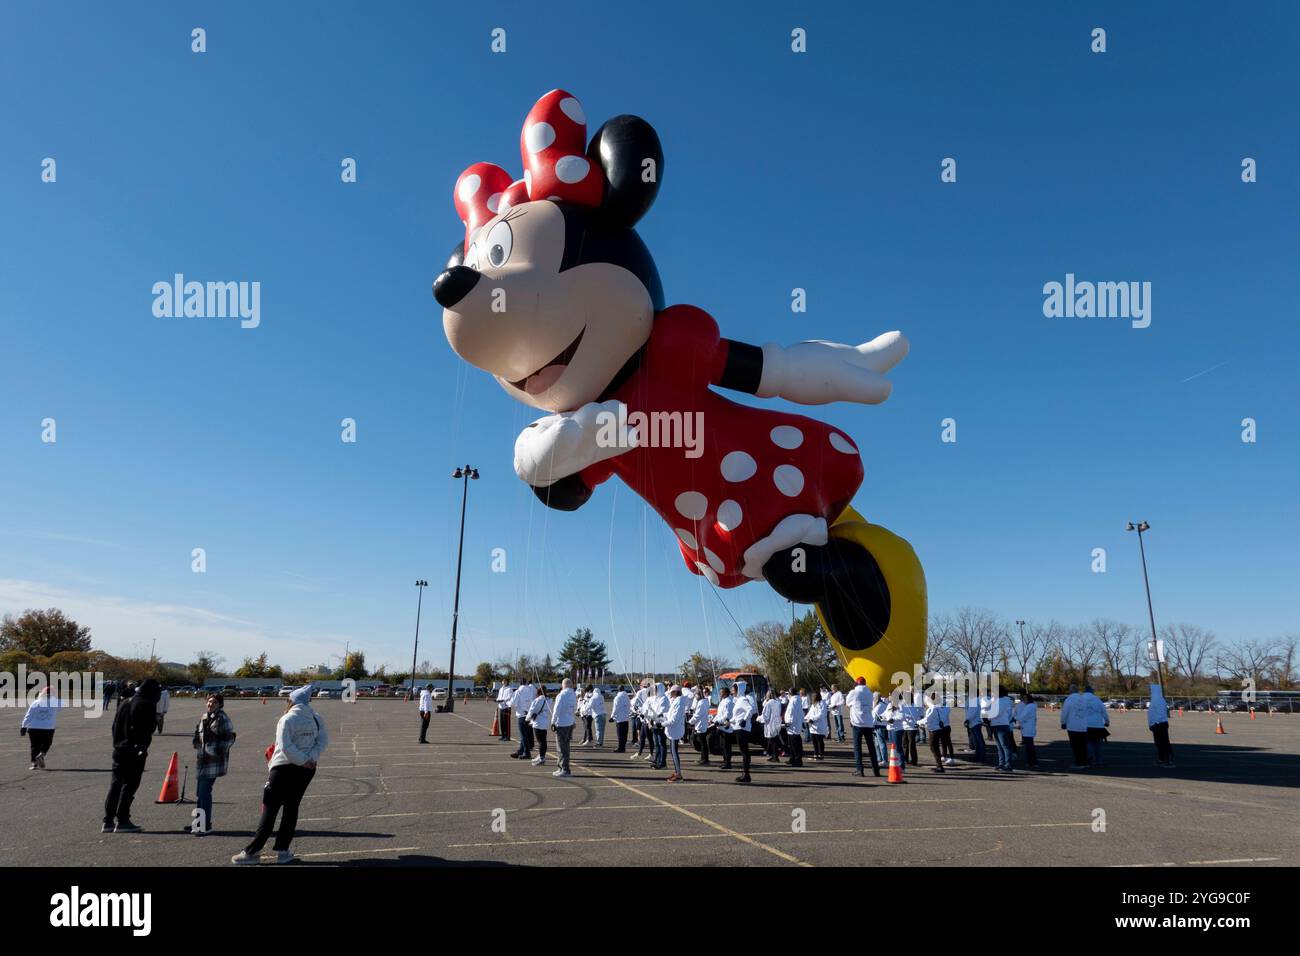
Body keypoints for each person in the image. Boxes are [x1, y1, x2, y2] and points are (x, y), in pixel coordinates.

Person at [232, 685, 329, 864]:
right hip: (306, 770)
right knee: (291, 809)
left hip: (283, 768)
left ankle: (251, 852)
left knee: (270, 809)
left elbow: (285, 747)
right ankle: (283, 851)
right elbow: (323, 741)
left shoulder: (287, 718)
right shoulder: (316, 718)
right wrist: (309, 758)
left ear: (291, 701)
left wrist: (301, 759)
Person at [103, 678, 160, 833]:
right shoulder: (147, 704)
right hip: (135, 750)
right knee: (130, 785)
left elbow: (114, 726)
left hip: (119, 748)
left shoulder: (125, 702)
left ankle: (108, 820)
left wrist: (118, 741)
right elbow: (148, 728)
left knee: (115, 785)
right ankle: (122, 819)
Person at [191, 693, 236, 834]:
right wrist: (196, 742)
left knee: (204, 792)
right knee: (200, 793)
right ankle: (198, 823)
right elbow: (199, 735)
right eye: (209, 702)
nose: (211, 704)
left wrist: (216, 750)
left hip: (213, 762)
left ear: (220, 704)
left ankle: (205, 825)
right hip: (202, 760)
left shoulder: (223, 718)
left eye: (214, 702)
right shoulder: (204, 717)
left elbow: (229, 739)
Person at [843, 678, 879, 777]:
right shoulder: (869, 693)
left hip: (857, 723)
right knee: (871, 747)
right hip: (868, 723)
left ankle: (860, 770)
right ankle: (876, 770)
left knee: (857, 748)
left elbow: (847, 704)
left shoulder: (853, 692)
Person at [21, 684, 60, 770]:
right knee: (47, 743)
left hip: (33, 728)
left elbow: (28, 715)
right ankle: (42, 754)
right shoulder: (56, 703)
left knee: (34, 745)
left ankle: (34, 763)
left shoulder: (35, 702)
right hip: (48, 728)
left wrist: (23, 726)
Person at [550, 679, 578, 778]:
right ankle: (562, 768)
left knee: (561, 748)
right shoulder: (573, 695)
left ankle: (564, 769)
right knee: (566, 747)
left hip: (561, 723)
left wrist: (552, 721)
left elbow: (556, 709)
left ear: (563, 685)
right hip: (569, 723)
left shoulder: (561, 695)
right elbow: (574, 708)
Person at [730, 679, 755, 783]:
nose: (732, 690)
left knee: (745, 752)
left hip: (742, 729)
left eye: (733, 689)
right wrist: (728, 721)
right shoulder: (738, 700)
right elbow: (737, 716)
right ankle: (745, 773)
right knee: (743, 751)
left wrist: (744, 720)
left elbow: (750, 709)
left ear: (739, 689)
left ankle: (746, 775)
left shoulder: (743, 700)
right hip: (738, 728)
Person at [1060, 684, 1089, 769]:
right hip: (1083, 726)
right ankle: (1084, 762)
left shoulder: (1069, 699)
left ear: (1071, 690)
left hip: (1073, 726)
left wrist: (1063, 722)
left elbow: (1065, 712)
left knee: (1075, 746)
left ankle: (1079, 763)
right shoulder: (1083, 699)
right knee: (1083, 745)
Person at [664, 685, 688, 781]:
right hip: (673, 730)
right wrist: (663, 715)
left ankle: (679, 774)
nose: (670, 693)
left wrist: (662, 724)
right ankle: (676, 772)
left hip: (675, 730)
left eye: (671, 691)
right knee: (673, 752)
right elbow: (670, 714)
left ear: (675, 692)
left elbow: (674, 720)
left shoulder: (679, 702)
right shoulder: (676, 701)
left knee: (674, 753)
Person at [1147, 685, 1175, 768]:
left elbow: (1159, 714)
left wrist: (1155, 723)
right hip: (1158, 724)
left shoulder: (1158, 700)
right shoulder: (1156, 699)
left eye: (1150, 690)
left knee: (1164, 743)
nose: (1149, 691)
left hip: (1159, 724)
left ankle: (1169, 760)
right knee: (1159, 743)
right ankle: (1162, 759)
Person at [989, 687, 1016, 772]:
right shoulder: (997, 700)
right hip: (996, 724)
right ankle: (1001, 763)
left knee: (1004, 745)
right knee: (999, 746)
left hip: (1001, 724)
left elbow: (997, 712)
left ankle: (1008, 764)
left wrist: (989, 716)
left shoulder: (1004, 700)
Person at [1083, 685, 1109, 766]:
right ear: (1092, 691)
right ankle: (1099, 760)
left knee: (1088, 742)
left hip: (1086, 725)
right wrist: (1107, 721)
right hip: (1098, 725)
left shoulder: (1081, 699)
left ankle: (1090, 758)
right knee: (1098, 744)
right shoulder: (1097, 699)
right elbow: (1104, 712)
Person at [919, 693, 945, 772]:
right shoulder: (937, 708)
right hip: (935, 729)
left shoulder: (933, 708)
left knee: (934, 748)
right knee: (935, 748)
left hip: (934, 731)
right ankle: (939, 765)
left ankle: (939, 766)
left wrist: (918, 722)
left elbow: (927, 719)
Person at [511, 680, 536, 760]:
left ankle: (527, 753)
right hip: (529, 715)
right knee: (526, 734)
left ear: (520, 683)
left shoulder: (518, 691)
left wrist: (507, 703)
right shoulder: (531, 690)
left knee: (523, 735)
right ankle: (521, 751)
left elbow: (513, 703)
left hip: (522, 715)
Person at [1014, 692, 1038, 770]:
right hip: (1028, 728)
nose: (1023, 700)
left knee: (1029, 747)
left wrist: (1014, 718)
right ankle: (1032, 761)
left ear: (1028, 699)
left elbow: (1022, 717)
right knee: (1029, 747)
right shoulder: (1031, 706)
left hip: (1028, 729)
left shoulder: (1029, 707)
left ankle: (1032, 762)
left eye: (1025, 698)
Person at [527, 685, 551, 766]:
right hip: (545, 722)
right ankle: (542, 756)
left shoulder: (537, 700)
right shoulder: (549, 700)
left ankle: (541, 758)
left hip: (537, 723)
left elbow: (531, 710)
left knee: (540, 741)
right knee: (543, 741)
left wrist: (527, 719)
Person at [759, 689, 783, 762]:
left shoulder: (769, 703)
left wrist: (759, 719)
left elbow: (765, 716)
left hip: (770, 723)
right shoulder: (777, 702)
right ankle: (774, 755)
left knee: (773, 740)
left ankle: (775, 756)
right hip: (776, 722)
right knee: (773, 739)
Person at [783, 687, 805, 767]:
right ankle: (792, 758)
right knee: (791, 744)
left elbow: (790, 712)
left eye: (788, 692)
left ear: (791, 693)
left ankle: (797, 760)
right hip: (795, 725)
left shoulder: (793, 701)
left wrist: (788, 722)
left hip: (793, 726)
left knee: (795, 744)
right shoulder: (797, 700)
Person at [714, 687, 735, 770]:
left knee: (726, 747)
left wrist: (719, 721)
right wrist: (713, 720)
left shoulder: (729, 702)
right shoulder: (722, 701)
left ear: (726, 693)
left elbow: (727, 715)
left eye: (721, 692)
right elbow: (719, 714)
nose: (720, 694)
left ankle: (728, 763)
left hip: (726, 727)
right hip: (720, 727)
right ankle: (725, 761)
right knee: (722, 746)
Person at [691, 689, 713, 764]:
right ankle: (704, 758)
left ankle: (704, 759)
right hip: (703, 723)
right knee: (703, 742)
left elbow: (697, 715)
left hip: (700, 724)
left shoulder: (701, 703)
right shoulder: (705, 701)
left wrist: (690, 721)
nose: (695, 696)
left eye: (696, 694)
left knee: (702, 743)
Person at [964, 692, 987, 762]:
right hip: (974, 723)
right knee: (977, 741)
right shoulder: (975, 700)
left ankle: (981, 757)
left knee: (979, 741)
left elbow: (972, 712)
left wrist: (967, 720)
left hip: (974, 723)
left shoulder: (975, 701)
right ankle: (978, 756)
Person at [807, 691, 829, 761]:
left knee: (819, 740)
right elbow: (809, 713)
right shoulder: (813, 704)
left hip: (820, 725)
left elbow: (821, 714)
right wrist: (805, 719)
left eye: (813, 696)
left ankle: (821, 755)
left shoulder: (822, 703)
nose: (812, 698)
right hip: (813, 726)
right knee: (814, 741)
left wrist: (812, 719)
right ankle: (815, 754)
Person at [900, 694, 919, 765]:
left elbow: (915, 715)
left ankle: (914, 760)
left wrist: (906, 716)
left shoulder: (913, 706)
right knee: (904, 744)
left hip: (912, 728)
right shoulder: (904, 705)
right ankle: (905, 759)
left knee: (911, 745)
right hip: (905, 727)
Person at [611, 685, 631, 752]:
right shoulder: (627, 697)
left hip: (620, 719)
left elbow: (615, 708)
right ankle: (623, 747)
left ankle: (620, 748)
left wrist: (612, 716)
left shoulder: (618, 697)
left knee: (620, 734)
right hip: (626, 718)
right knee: (625, 734)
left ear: (618, 689)